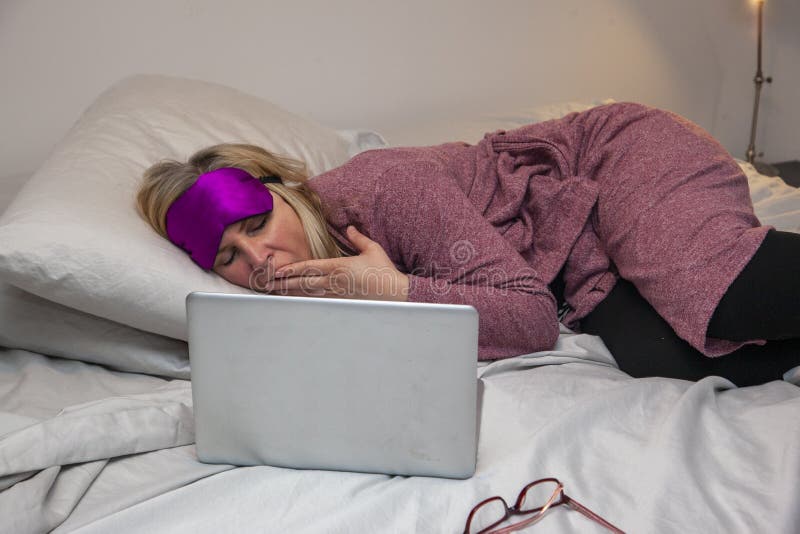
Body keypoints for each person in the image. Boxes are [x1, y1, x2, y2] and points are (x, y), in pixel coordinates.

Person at [136, 102, 800, 387]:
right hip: (573, 247)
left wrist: (392, 290)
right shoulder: (299, 281)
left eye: (254, 227)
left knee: (710, 294)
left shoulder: (383, 189)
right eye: (226, 258)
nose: (257, 263)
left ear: (282, 190)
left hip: (611, 158)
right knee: (668, 362)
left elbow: (533, 317)